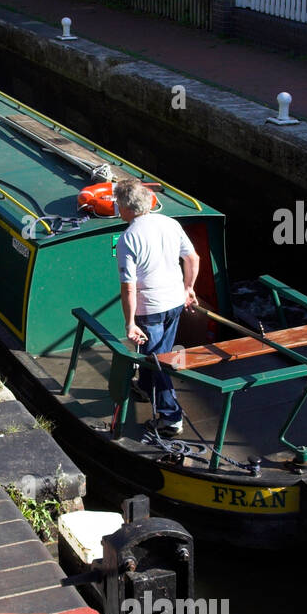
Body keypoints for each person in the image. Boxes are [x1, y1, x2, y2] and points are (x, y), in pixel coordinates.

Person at [113, 178, 200, 437]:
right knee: (160, 353)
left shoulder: (128, 238)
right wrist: (188, 288)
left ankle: (170, 418)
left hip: (150, 308)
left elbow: (128, 287)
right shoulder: (170, 223)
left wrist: (129, 324)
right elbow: (192, 258)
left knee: (157, 361)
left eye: (118, 204)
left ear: (126, 208)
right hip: (174, 302)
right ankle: (144, 386)